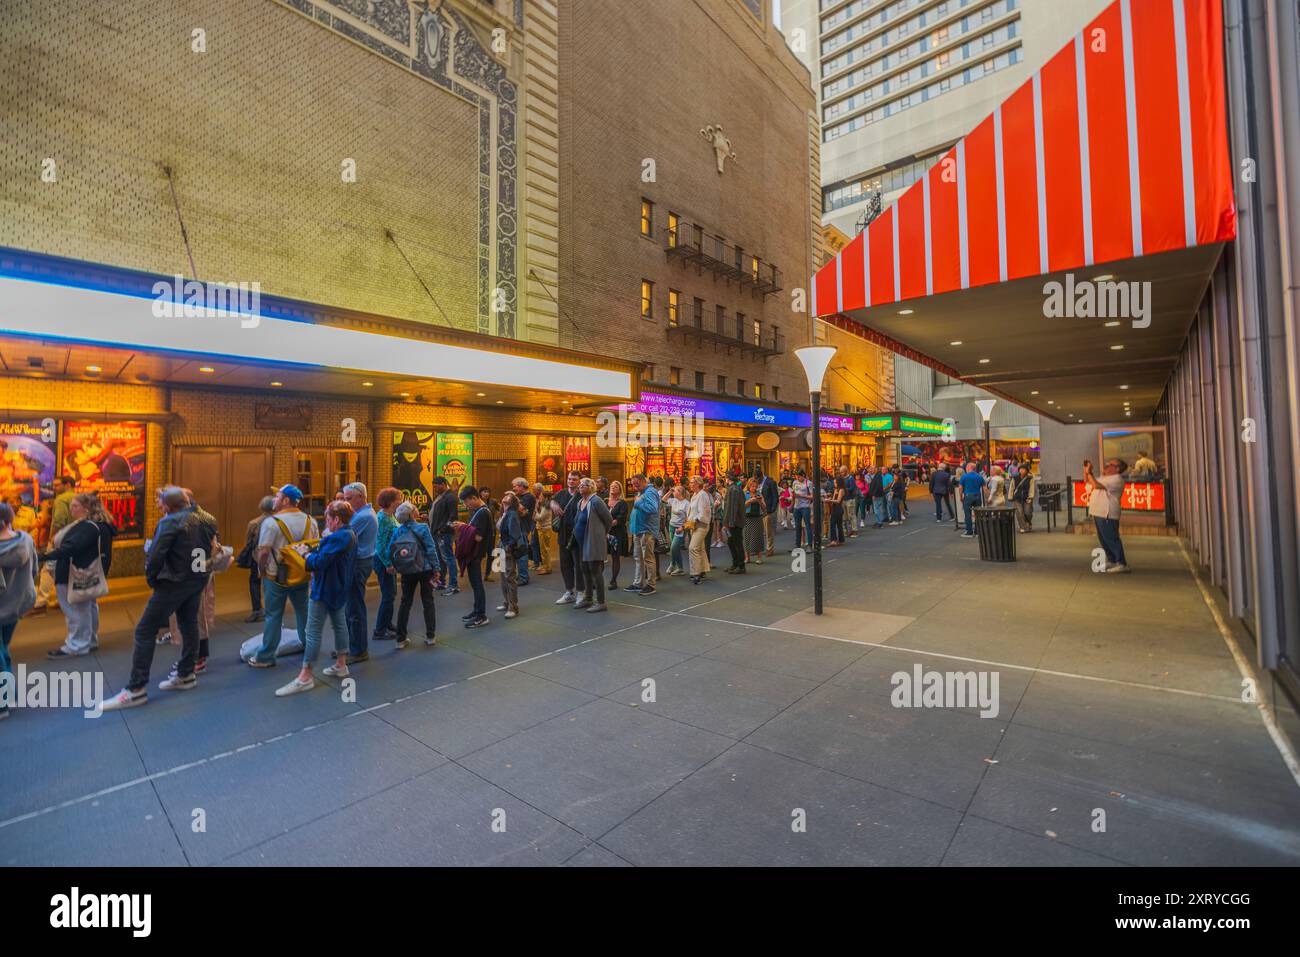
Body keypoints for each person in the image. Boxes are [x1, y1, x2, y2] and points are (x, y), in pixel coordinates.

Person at [100, 486, 216, 710]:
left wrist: (152, 578)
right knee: (189, 622)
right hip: (197, 577)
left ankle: (136, 689)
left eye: (161, 502)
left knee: (144, 630)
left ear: (170, 505)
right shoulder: (206, 519)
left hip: (173, 582)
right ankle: (186, 673)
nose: (159, 506)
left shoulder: (169, 522)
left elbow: (156, 555)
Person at [275, 500, 357, 696]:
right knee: (339, 625)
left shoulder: (338, 538)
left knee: (312, 631)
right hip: (339, 588)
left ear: (336, 519)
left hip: (324, 589)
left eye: (328, 518)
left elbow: (318, 563)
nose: (326, 522)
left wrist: (305, 555)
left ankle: (305, 676)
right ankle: (341, 664)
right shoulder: (349, 534)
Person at [246, 484, 315, 667]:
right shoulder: (310, 520)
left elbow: (263, 552)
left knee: (273, 615)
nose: (274, 499)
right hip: (302, 575)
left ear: (285, 500)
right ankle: (309, 647)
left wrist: (261, 571)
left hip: (276, 577)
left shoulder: (271, 523)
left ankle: (266, 656)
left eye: (277, 497)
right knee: (303, 612)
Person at [41, 492, 115, 659]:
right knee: (87, 607)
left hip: (73, 572)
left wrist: (44, 556)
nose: (71, 509)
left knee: (75, 608)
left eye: (75, 506)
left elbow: (71, 548)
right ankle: (89, 640)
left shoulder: (87, 527)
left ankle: (77, 644)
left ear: (86, 508)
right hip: (85, 572)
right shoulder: (99, 524)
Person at [0, 502, 38, 721]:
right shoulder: (26, 540)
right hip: (17, 605)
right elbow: (34, 570)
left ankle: (2, 704)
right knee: (4, 648)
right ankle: (9, 695)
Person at [389, 500, 440, 644]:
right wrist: (436, 568)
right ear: (412, 514)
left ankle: (400, 638)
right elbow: (431, 549)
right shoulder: (423, 528)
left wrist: (395, 565)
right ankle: (430, 636)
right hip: (425, 569)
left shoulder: (397, 531)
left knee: (405, 602)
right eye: (414, 508)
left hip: (407, 571)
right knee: (428, 601)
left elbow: (390, 551)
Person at [339, 483, 377, 664]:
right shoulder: (363, 514)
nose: (345, 503)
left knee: (354, 609)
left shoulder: (363, 517)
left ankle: (359, 650)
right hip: (359, 562)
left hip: (358, 564)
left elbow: (340, 535)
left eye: (348, 499)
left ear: (361, 497)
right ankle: (352, 647)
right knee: (351, 608)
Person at [454, 485, 494, 627]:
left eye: (467, 502)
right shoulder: (478, 511)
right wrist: (464, 526)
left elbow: (478, 537)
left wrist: (463, 527)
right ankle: (477, 611)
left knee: (477, 584)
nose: (466, 505)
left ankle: (481, 615)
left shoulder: (483, 513)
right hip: (474, 554)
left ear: (474, 498)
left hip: (476, 554)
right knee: (475, 583)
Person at [572, 477, 612, 612]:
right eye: (580, 485)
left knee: (595, 570)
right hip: (581, 542)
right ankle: (588, 598)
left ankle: (601, 602)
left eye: (584, 485)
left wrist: (601, 534)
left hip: (593, 542)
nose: (581, 486)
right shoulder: (580, 502)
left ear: (591, 487)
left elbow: (608, 519)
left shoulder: (596, 501)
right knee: (585, 569)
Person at [1085, 458, 1130, 572]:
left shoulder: (1117, 479)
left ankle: (1121, 562)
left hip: (1107, 513)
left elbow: (1096, 485)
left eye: (1110, 464)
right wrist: (1086, 471)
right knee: (1103, 539)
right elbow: (1089, 481)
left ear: (1117, 468)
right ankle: (1112, 560)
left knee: (1111, 538)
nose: (1107, 466)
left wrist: (1090, 473)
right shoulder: (1105, 478)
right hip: (1099, 512)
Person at [372, 487, 403, 641]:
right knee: (388, 595)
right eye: (398, 498)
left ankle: (387, 623)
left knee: (392, 594)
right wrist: (388, 563)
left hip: (390, 559)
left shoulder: (390, 516)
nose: (400, 501)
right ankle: (379, 630)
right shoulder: (383, 518)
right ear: (391, 501)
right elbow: (380, 544)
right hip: (383, 560)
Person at [241, 496, 274, 622]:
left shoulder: (254, 523)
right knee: (272, 583)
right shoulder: (279, 521)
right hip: (275, 557)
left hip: (257, 556)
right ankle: (271, 609)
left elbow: (248, 542)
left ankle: (257, 610)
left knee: (254, 582)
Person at [551, 472, 582, 604]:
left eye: (574, 479)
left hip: (578, 536)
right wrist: (553, 504)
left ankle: (581, 592)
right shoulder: (561, 494)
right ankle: (569, 591)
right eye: (569, 479)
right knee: (565, 564)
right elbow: (551, 500)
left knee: (579, 565)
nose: (571, 481)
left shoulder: (582, 495)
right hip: (563, 535)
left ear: (579, 481)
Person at [628, 473, 660, 596]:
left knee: (648, 558)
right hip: (639, 530)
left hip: (647, 530)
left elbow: (652, 509)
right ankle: (638, 583)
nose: (635, 487)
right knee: (638, 558)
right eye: (633, 485)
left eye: (636, 485)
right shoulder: (642, 493)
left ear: (642, 481)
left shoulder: (650, 492)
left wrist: (637, 503)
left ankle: (651, 585)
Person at [496, 490, 526, 620]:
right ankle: (506, 602)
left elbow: (515, 534)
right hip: (501, 545)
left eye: (509, 496)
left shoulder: (512, 514)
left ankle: (513, 607)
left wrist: (508, 547)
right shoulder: (504, 513)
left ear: (513, 501)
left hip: (507, 547)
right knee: (503, 576)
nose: (505, 497)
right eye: (505, 495)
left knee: (509, 576)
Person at [427, 475, 460, 595]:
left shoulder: (450, 497)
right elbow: (439, 514)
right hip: (437, 533)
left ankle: (453, 585)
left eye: (436, 486)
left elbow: (453, 517)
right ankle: (441, 582)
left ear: (443, 484)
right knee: (440, 559)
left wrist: (442, 529)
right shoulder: (440, 496)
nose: (435, 488)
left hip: (444, 534)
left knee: (449, 558)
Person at [686, 475, 712, 584]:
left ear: (698, 484)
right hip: (694, 525)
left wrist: (694, 521)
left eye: (692, 482)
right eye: (690, 482)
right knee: (700, 548)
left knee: (693, 548)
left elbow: (703, 512)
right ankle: (702, 570)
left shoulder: (702, 495)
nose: (690, 484)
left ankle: (696, 573)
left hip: (701, 525)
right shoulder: (694, 495)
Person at [510, 478, 535, 587]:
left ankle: (523, 577)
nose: (513, 488)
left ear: (521, 486)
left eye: (515, 486)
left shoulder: (529, 497)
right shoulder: (519, 497)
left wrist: (513, 497)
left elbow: (521, 510)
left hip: (522, 529)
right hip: (516, 529)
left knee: (522, 554)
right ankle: (520, 575)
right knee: (516, 553)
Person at [606, 480, 630, 589]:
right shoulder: (604, 501)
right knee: (601, 557)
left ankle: (613, 580)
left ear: (620, 490)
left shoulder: (622, 503)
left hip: (616, 533)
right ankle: (595, 580)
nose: (613, 488)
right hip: (604, 533)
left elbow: (620, 519)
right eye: (612, 486)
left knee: (615, 557)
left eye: (616, 487)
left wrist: (609, 523)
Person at [722, 471, 746, 573]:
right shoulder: (734, 489)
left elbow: (733, 508)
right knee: (732, 542)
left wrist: (728, 522)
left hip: (734, 521)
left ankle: (740, 565)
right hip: (733, 521)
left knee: (737, 543)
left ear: (728, 479)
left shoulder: (733, 489)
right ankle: (735, 563)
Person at [958, 463, 986, 538]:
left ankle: (969, 531)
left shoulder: (964, 476)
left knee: (968, 514)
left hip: (968, 496)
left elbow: (960, 488)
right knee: (977, 514)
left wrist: (960, 496)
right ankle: (977, 531)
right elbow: (984, 488)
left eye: (966, 468)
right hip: (977, 496)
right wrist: (986, 498)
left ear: (968, 468)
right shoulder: (979, 476)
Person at [666, 484, 690, 575]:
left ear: (680, 493)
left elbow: (689, 519)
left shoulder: (686, 504)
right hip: (671, 526)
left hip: (680, 529)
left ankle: (676, 565)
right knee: (674, 549)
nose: (674, 492)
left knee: (673, 548)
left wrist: (682, 528)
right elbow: (663, 501)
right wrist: (669, 492)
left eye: (675, 490)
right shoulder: (674, 500)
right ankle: (676, 566)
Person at [757, 467, 778, 555]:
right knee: (759, 530)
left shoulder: (770, 482)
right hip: (757, 510)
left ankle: (769, 548)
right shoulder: (754, 483)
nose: (756, 480)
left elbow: (775, 496)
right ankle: (758, 549)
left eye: (757, 478)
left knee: (768, 530)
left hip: (767, 510)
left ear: (761, 476)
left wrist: (772, 509)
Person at [533, 486, 554, 575]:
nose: (539, 498)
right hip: (542, 528)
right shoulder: (544, 505)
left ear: (545, 498)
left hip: (545, 529)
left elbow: (540, 518)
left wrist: (534, 513)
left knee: (545, 549)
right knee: (543, 549)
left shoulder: (547, 506)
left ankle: (547, 568)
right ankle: (545, 566)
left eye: (541, 496)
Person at [791, 469, 813, 551]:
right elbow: (793, 494)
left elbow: (812, 496)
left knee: (807, 525)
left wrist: (800, 496)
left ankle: (810, 545)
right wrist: (792, 503)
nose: (798, 478)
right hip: (797, 507)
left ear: (803, 475)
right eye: (796, 476)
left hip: (805, 506)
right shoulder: (795, 482)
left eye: (799, 476)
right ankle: (797, 544)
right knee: (797, 526)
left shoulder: (808, 483)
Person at [1010, 462, 1036, 532]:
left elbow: (1032, 488)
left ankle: (1028, 522)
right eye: (1020, 469)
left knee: (1028, 512)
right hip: (1017, 498)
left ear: (1027, 470)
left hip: (1027, 498)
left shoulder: (1030, 478)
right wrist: (1010, 496)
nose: (1021, 470)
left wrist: (1030, 497)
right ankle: (1022, 527)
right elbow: (1012, 487)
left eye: (1023, 469)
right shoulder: (1015, 478)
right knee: (1019, 512)